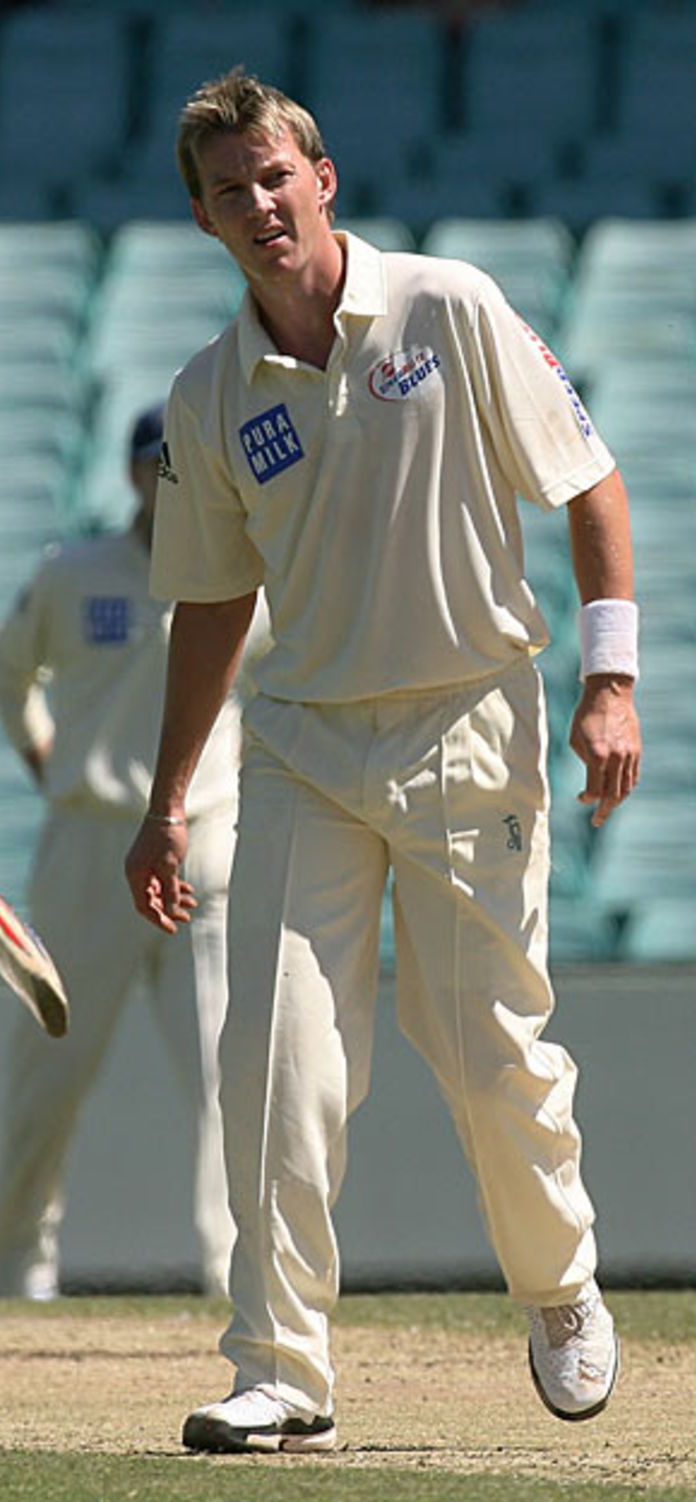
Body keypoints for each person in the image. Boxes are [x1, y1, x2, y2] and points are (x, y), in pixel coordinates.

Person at [124, 70, 641, 1455]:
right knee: (276, 1057)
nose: (259, 204)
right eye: (230, 190)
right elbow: (214, 601)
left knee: (484, 1052)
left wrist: (609, 678)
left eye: (275, 176)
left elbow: (589, 482)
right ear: (202, 217)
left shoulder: (446, 305)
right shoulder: (207, 392)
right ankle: (281, 1367)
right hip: (301, 745)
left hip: (469, 720)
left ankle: (561, 1287)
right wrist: (171, 797)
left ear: (322, 175)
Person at [0, 402, 263, 1301]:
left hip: (201, 845)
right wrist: (43, 754)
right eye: (153, 465)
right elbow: (4, 668)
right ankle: (13, 1273)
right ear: (132, 473)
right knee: (49, 1072)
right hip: (91, 841)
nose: (166, 483)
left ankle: (232, 1272)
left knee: (224, 1074)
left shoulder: (242, 575)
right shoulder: (74, 573)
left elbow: (282, 683)